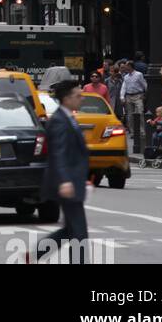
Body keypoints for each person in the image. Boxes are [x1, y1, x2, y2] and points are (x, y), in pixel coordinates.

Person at [34, 80, 91, 263]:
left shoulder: (67, 117)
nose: (81, 98)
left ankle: (33, 255)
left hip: (73, 181)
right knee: (79, 233)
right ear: (66, 99)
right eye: (77, 95)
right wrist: (65, 180)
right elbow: (58, 153)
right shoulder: (59, 120)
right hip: (68, 184)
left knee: (70, 230)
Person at [120, 61, 148, 148]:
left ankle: (142, 132)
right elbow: (124, 87)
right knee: (130, 115)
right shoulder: (126, 77)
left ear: (130, 67)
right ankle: (132, 133)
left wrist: (145, 93)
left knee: (140, 113)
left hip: (138, 95)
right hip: (128, 96)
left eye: (126, 66)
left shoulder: (139, 74)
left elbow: (144, 84)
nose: (125, 68)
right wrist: (122, 96)